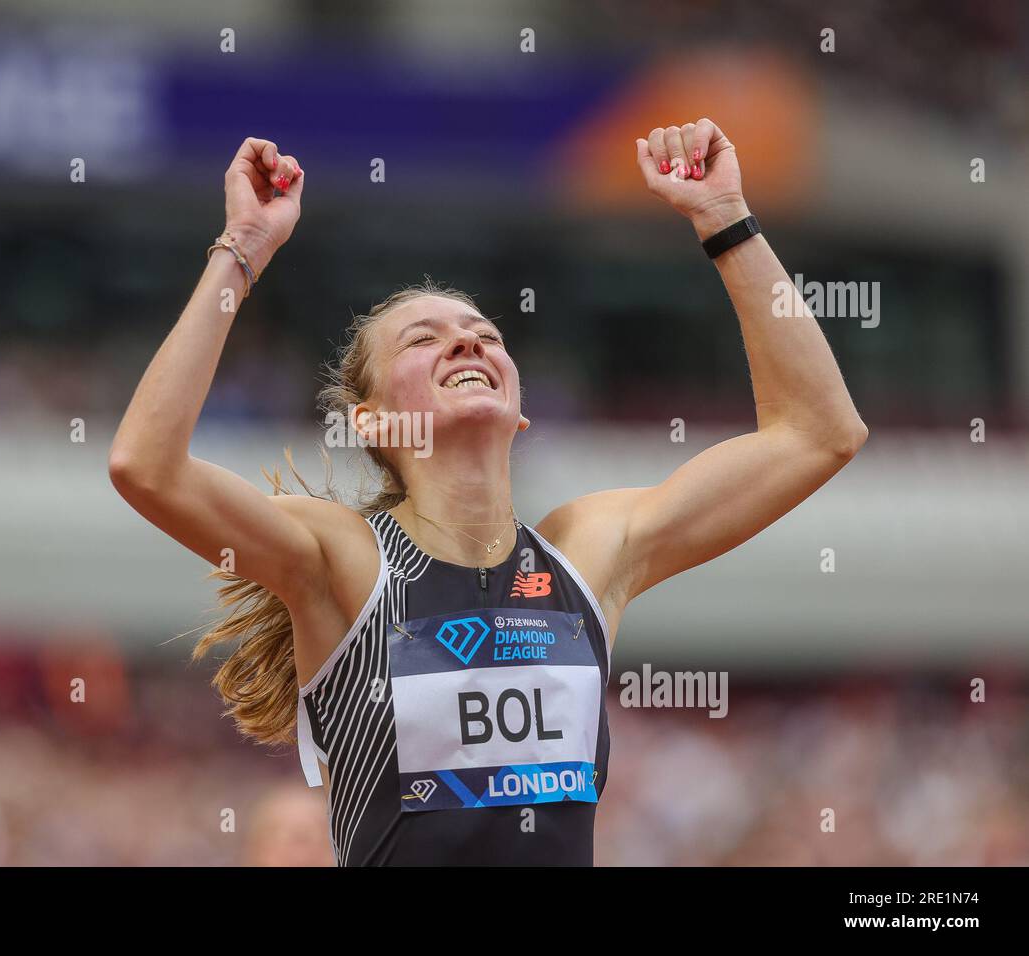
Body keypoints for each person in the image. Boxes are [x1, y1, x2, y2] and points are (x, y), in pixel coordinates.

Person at [108, 125, 867, 866]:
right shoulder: (341, 560)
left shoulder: (586, 552)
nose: (468, 343)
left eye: (484, 335)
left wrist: (727, 222)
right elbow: (147, 466)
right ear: (371, 421)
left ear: (519, 407)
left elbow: (817, 432)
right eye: (423, 340)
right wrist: (241, 249)